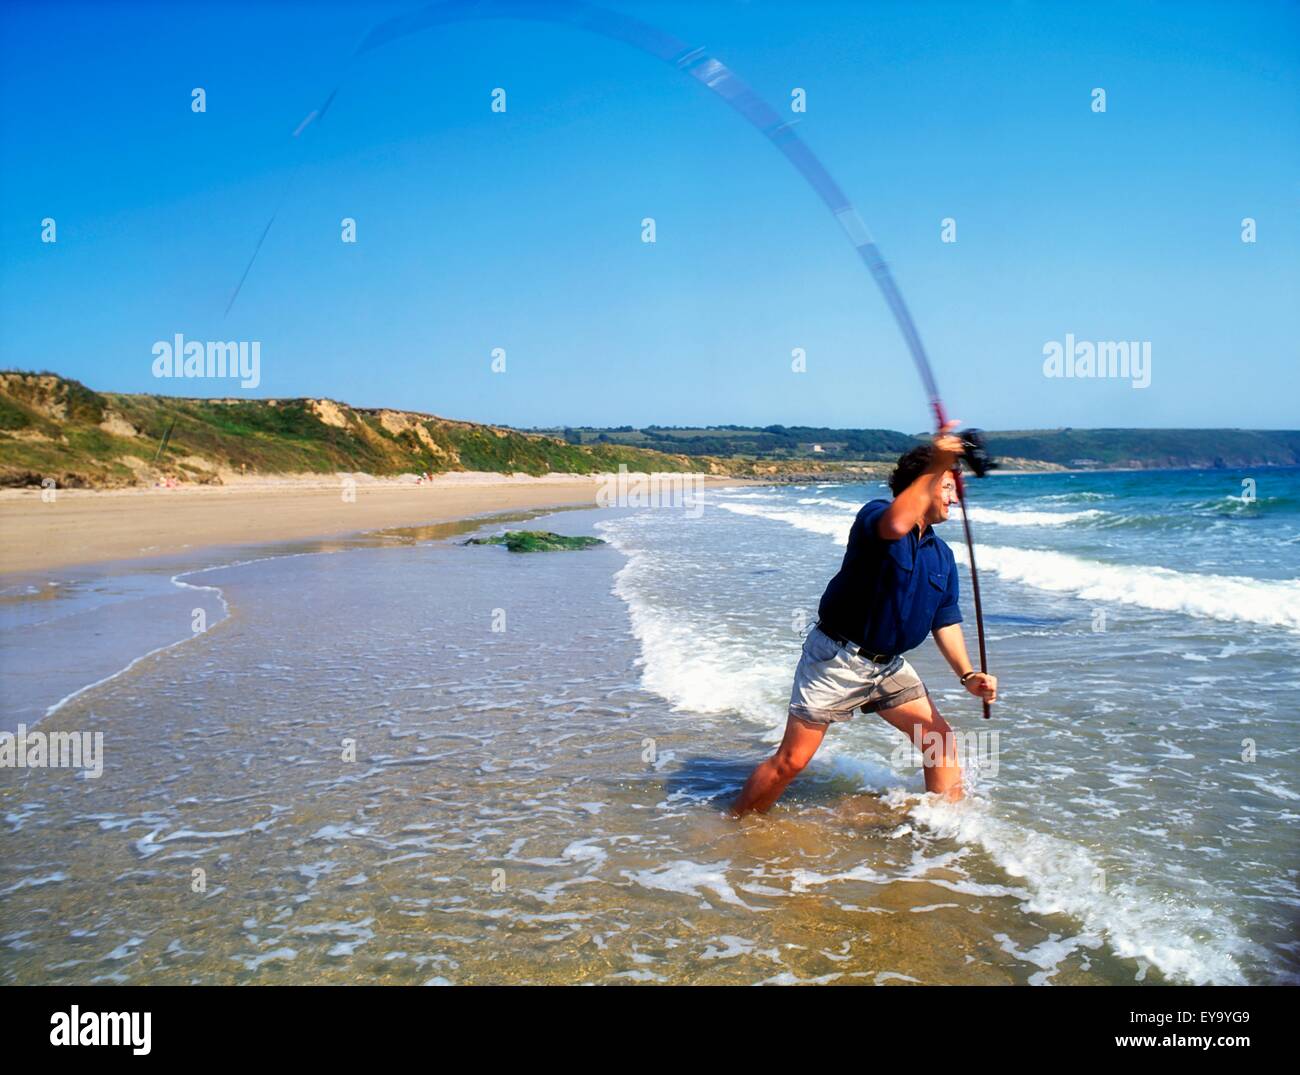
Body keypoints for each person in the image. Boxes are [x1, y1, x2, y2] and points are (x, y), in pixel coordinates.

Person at [731, 422, 997, 816]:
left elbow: (945, 620)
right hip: (838, 659)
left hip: (888, 666)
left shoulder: (941, 555)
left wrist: (967, 674)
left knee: (939, 740)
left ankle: (944, 833)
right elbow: (896, 524)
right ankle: (733, 824)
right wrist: (938, 460)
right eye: (946, 486)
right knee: (792, 762)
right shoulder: (876, 517)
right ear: (920, 486)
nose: (954, 497)